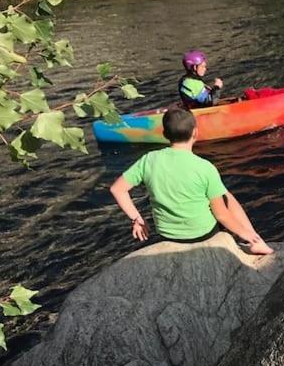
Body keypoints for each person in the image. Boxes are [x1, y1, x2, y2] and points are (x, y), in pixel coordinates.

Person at [109, 107, 274, 255]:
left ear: (164, 134)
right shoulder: (205, 167)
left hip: (167, 235)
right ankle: (256, 242)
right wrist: (246, 234)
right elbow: (221, 214)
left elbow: (117, 189)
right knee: (225, 195)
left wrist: (137, 219)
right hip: (203, 234)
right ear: (195, 133)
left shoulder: (149, 160)